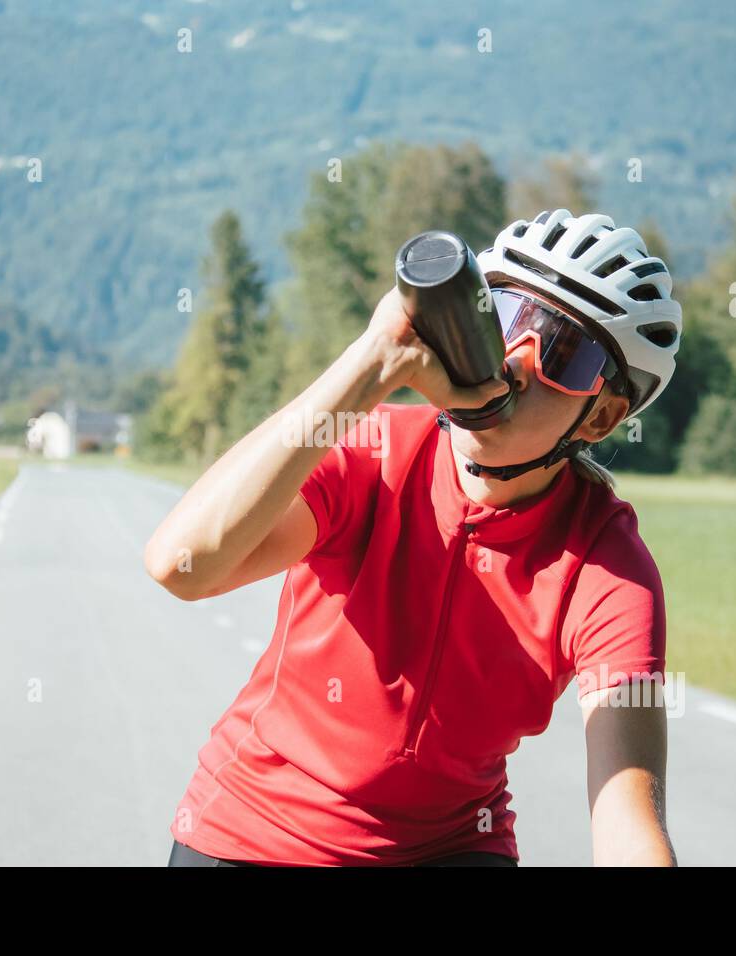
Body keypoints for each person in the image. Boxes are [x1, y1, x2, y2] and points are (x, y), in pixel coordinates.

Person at [146, 209, 682, 867]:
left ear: (600, 416)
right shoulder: (372, 453)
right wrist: (374, 359)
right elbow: (183, 564)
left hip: (447, 848)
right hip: (255, 833)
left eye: (564, 352)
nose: (517, 360)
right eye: (506, 316)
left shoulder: (608, 568)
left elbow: (627, 818)